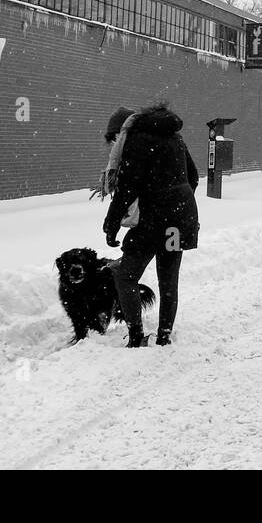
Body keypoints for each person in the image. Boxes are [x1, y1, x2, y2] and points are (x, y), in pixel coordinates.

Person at [101, 102, 201, 347]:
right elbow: (194, 177)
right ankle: (164, 336)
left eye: (115, 138)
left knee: (126, 276)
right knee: (168, 278)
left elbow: (127, 188)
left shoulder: (137, 142)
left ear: (123, 131)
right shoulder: (174, 137)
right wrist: (177, 203)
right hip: (177, 221)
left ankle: (136, 336)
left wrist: (111, 224)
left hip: (152, 221)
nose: (115, 145)